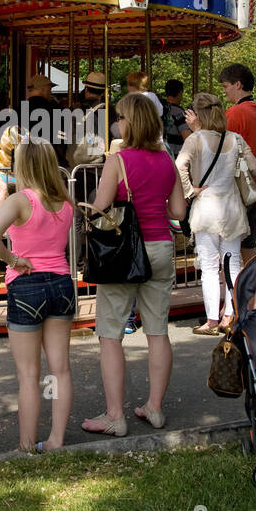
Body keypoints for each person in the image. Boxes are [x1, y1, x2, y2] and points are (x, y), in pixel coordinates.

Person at [82, 93, 186, 437]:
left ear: (130, 122)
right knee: (158, 332)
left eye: (120, 117)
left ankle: (116, 414)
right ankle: (154, 407)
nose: (117, 123)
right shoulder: (166, 160)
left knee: (110, 335)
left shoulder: (118, 160)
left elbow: (100, 205)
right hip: (160, 247)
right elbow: (178, 212)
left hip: (125, 250)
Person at [0, 141, 75, 452]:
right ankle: (56, 440)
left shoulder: (20, 200)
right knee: (59, 369)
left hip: (26, 285)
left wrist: (12, 260)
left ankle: (26, 444)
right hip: (61, 283)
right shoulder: (65, 201)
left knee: (29, 374)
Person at [177, 93, 256, 334]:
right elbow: (254, 168)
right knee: (232, 263)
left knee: (210, 267)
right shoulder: (235, 139)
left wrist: (190, 190)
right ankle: (230, 315)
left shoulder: (195, 139)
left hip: (206, 208)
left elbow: (179, 165)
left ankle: (211, 319)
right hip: (232, 208)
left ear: (199, 114)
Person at [218, 63, 256, 264]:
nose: (224, 91)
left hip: (237, 189)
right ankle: (253, 293)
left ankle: (236, 291)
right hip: (254, 186)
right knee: (248, 246)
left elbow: (217, 145)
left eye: (226, 86)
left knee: (230, 249)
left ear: (237, 84)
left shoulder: (235, 113)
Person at [161, 79, 188, 159]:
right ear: (180, 93)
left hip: (162, 154)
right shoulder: (179, 112)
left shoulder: (160, 109)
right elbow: (187, 138)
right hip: (176, 157)